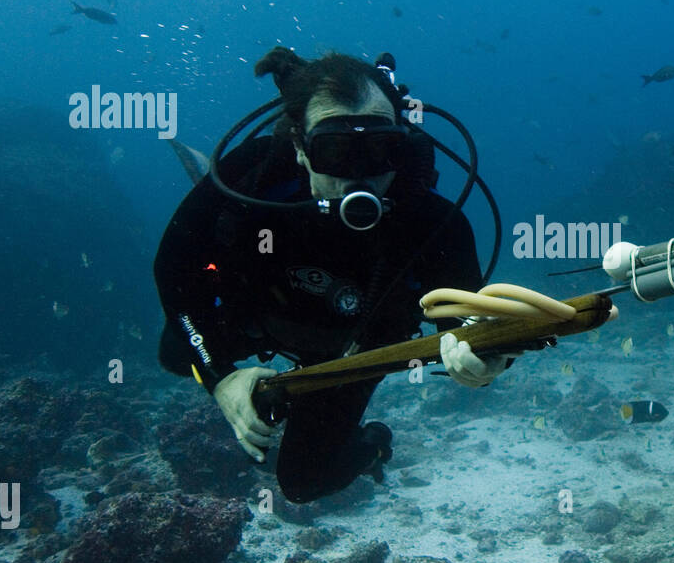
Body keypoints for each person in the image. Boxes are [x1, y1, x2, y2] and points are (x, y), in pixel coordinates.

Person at [154, 46, 514, 502]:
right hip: (261, 318)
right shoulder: (253, 175)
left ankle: (374, 444)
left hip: (356, 349)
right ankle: (203, 183)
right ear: (301, 149)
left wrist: (484, 356)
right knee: (174, 354)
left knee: (304, 483)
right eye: (335, 150)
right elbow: (173, 269)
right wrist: (221, 378)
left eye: (379, 149)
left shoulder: (435, 221)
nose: (359, 176)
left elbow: (462, 320)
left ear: (399, 146)